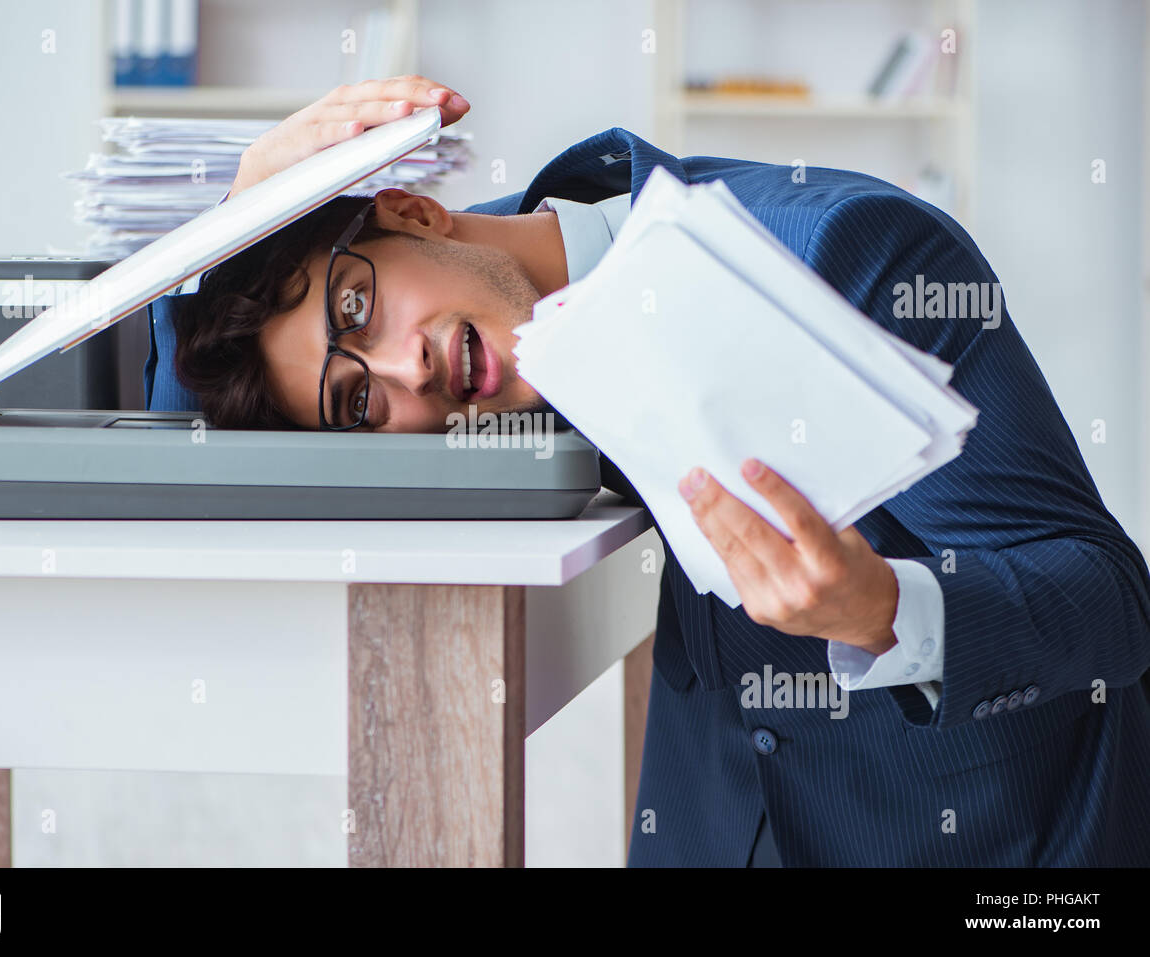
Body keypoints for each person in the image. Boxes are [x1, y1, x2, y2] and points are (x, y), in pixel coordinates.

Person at [146, 76, 1150, 866]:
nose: (402, 374)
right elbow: (193, 463)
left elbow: (1111, 603)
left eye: (356, 313)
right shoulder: (475, 345)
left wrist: (885, 607)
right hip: (720, 829)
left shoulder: (843, 250)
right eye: (354, 401)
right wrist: (225, 226)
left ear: (412, 211)